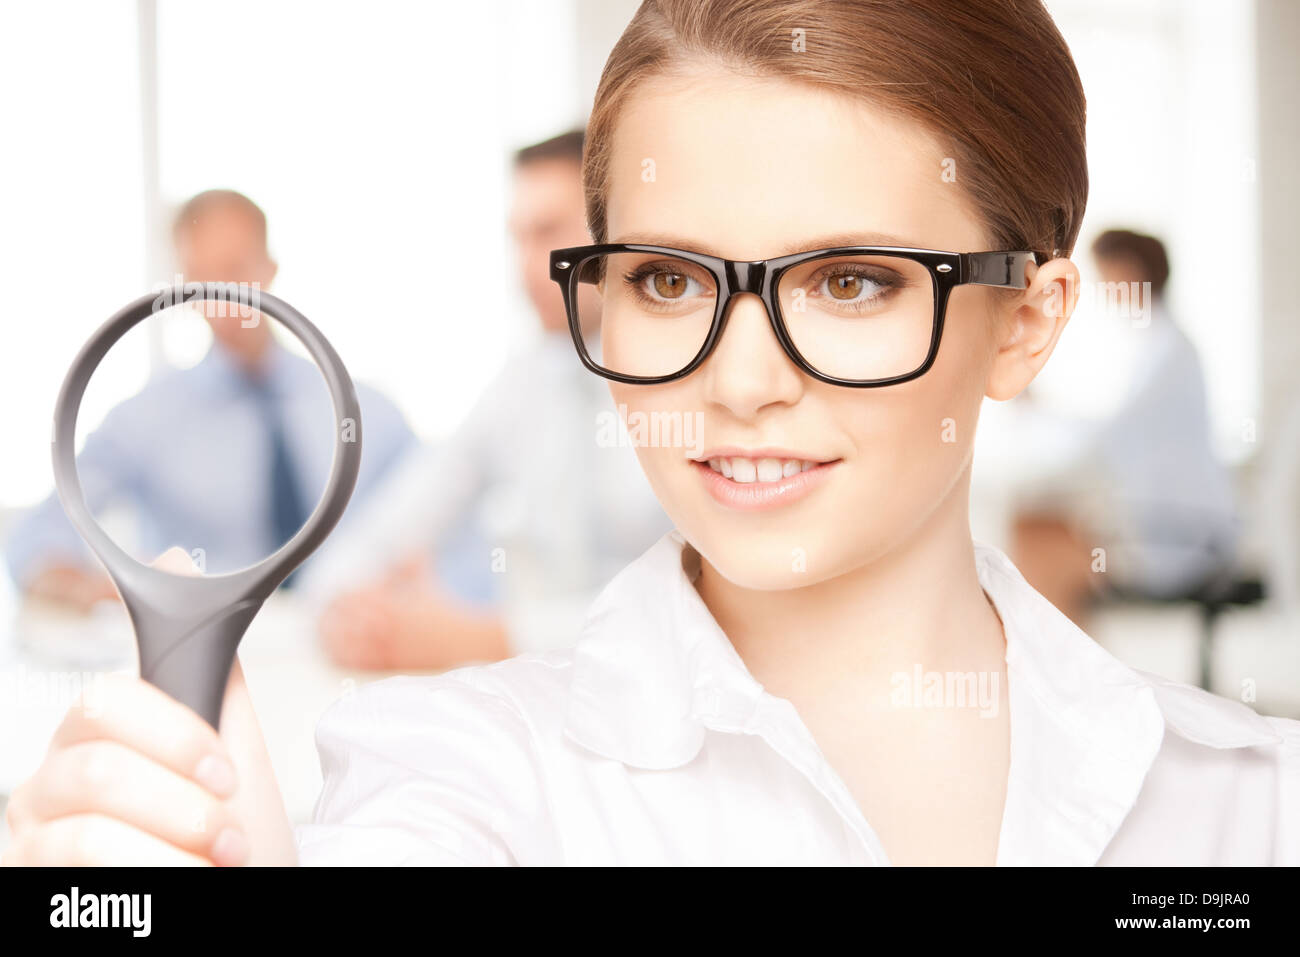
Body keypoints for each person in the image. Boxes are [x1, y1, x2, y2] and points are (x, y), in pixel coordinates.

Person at [5, 0, 1296, 867]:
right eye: (672, 281)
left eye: (851, 282)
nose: (736, 382)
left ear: (1027, 322)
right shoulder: (454, 773)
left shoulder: (1254, 805)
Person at [298, 130, 672, 670]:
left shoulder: (697, 386)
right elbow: (387, 528)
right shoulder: (523, 384)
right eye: (517, 239)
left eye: (547, 232)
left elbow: (715, 606)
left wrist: (495, 640)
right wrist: (344, 611)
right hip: (551, 714)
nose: (527, 267)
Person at [3, 190, 415, 604]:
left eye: (234, 270)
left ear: (269, 269)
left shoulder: (368, 414)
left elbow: (443, 532)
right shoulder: (144, 418)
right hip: (199, 649)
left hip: (348, 649)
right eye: (200, 278)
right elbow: (36, 540)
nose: (220, 297)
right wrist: (101, 589)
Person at [996, 230, 1239, 626]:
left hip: (1182, 534)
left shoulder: (1169, 351)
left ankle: (1061, 679)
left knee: (1042, 537)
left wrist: (1038, 407)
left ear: (1135, 271)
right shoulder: (1153, 344)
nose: (1106, 286)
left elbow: (1108, 438)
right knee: (1039, 530)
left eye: (1109, 273)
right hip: (1163, 523)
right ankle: (1063, 675)